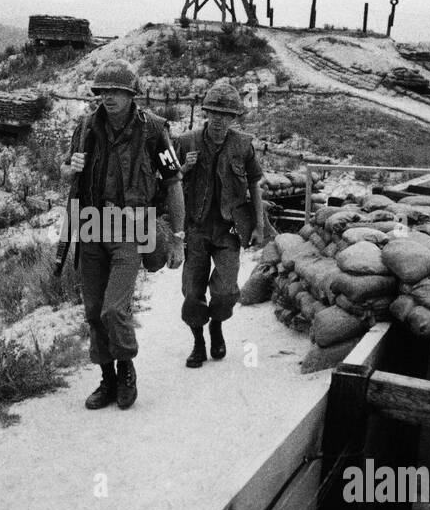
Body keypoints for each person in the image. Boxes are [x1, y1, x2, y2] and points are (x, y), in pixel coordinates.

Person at [63, 59, 184, 410]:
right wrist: (69, 166)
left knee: (114, 309)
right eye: (103, 91)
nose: (109, 97)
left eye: (117, 91)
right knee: (93, 311)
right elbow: (66, 168)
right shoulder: (86, 126)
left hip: (131, 228)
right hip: (91, 226)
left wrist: (178, 238)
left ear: (132, 95)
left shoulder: (154, 130)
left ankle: (126, 367)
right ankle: (107, 379)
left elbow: (173, 182)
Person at [175, 79, 275, 367]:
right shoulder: (187, 142)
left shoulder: (243, 145)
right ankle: (198, 342)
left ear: (234, 118)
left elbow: (254, 185)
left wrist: (258, 225)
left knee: (226, 290)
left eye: (226, 115)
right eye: (215, 113)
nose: (219, 120)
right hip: (195, 228)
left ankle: (216, 325)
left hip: (229, 229)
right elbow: (169, 183)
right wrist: (184, 168)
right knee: (192, 292)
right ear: (206, 113)